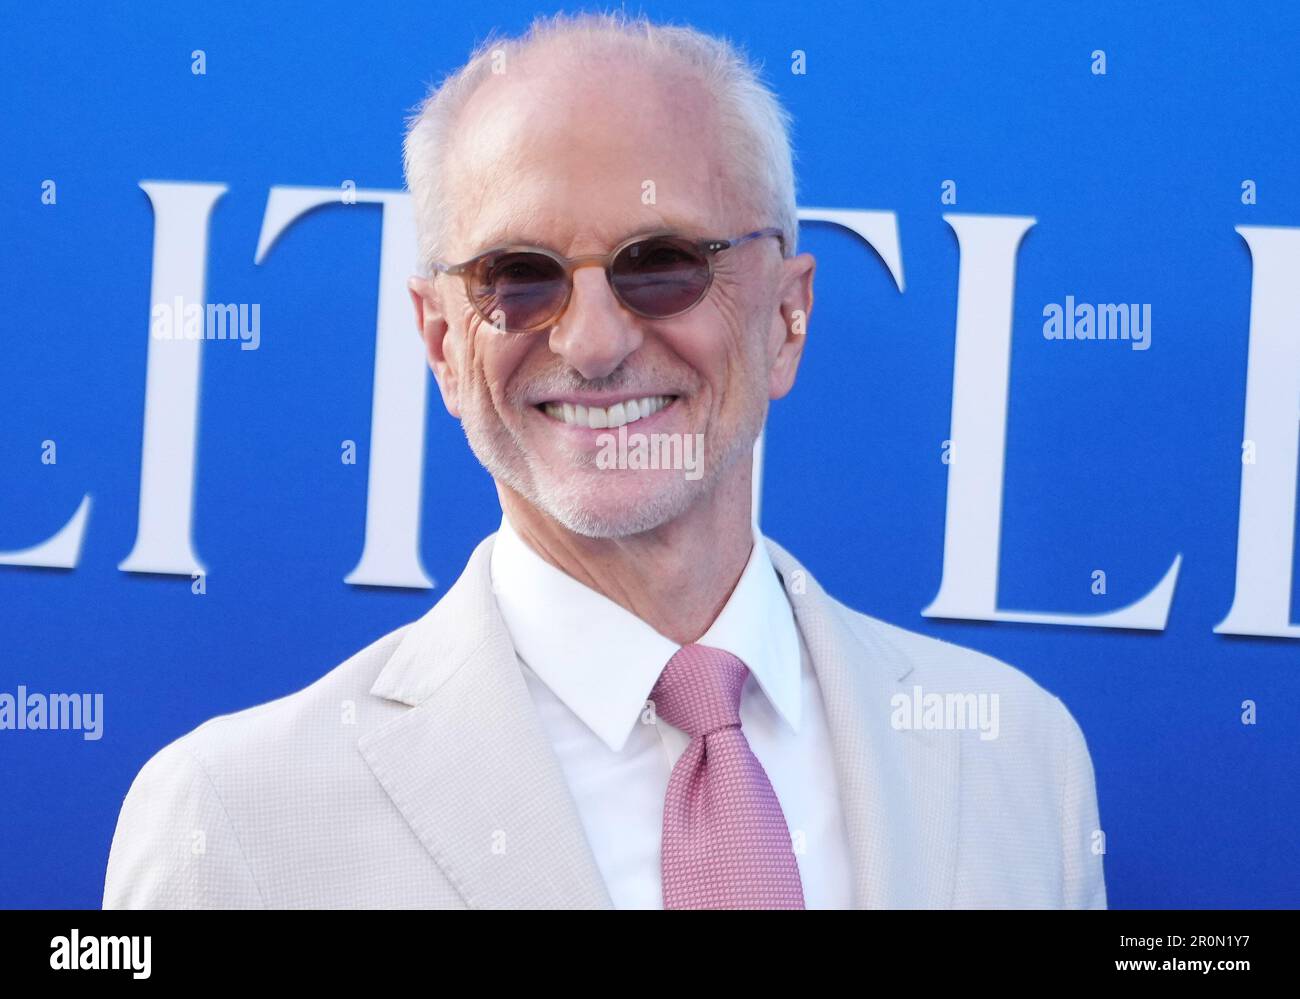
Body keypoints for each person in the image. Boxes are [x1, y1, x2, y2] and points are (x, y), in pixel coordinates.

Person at [102, 10, 1106, 909]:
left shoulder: (1018, 759)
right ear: (444, 342)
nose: (591, 342)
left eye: (660, 264)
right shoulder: (236, 821)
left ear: (789, 316)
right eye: (518, 277)